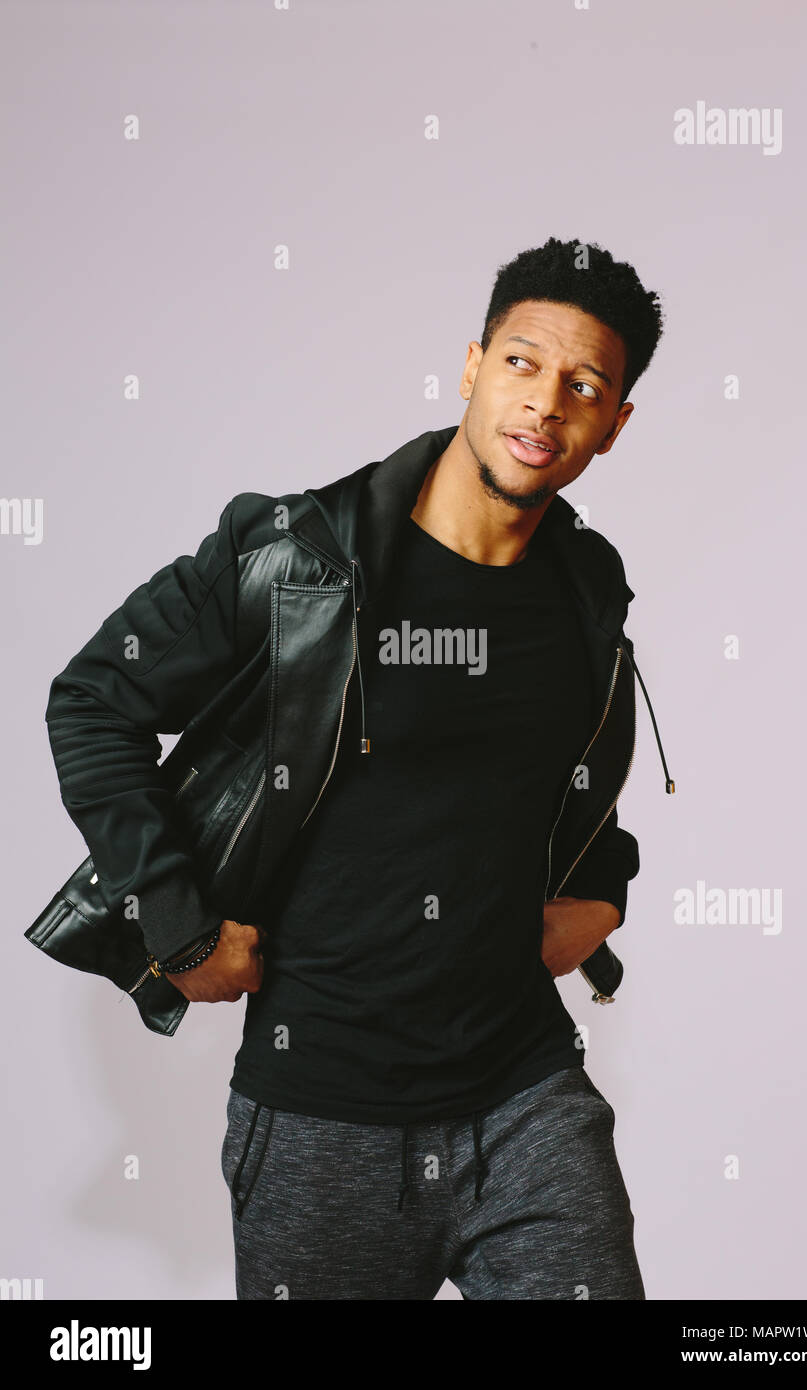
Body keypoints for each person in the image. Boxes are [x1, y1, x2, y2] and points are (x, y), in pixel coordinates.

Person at [45, 235, 672, 1300]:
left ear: (612, 424)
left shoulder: (583, 580)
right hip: (319, 1113)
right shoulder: (297, 558)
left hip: (526, 1096)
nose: (544, 404)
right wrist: (176, 919)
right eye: (521, 363)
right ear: (471, 367)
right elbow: (93, 700)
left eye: (583, 385)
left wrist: (603, 883)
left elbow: (568, 765)